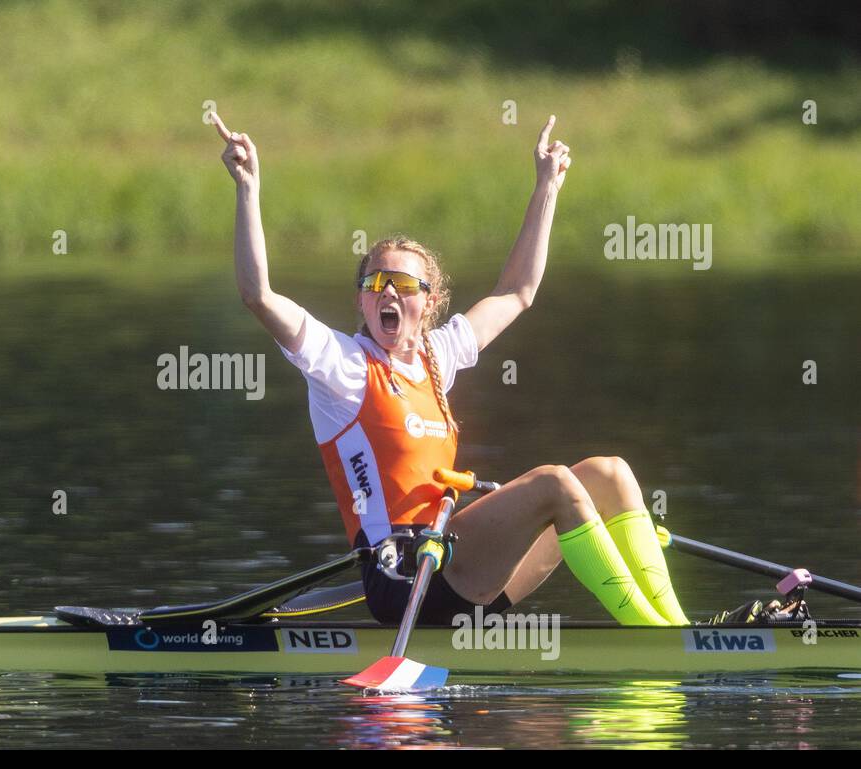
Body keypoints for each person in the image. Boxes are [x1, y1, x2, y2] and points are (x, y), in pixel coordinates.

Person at [211, 112, 688, 627]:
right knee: (553, 483)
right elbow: (257, 295)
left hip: (452, 562)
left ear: (429, 302)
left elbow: (517, 292)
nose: (387, 292)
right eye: (375, 284)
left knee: (611, 474)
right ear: (362, 301)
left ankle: (678, 628)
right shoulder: (342, 367)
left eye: (402, 283)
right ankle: (657, 639)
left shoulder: (439, 358)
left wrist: (547, 185)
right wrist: (248, 188)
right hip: (400, 579)